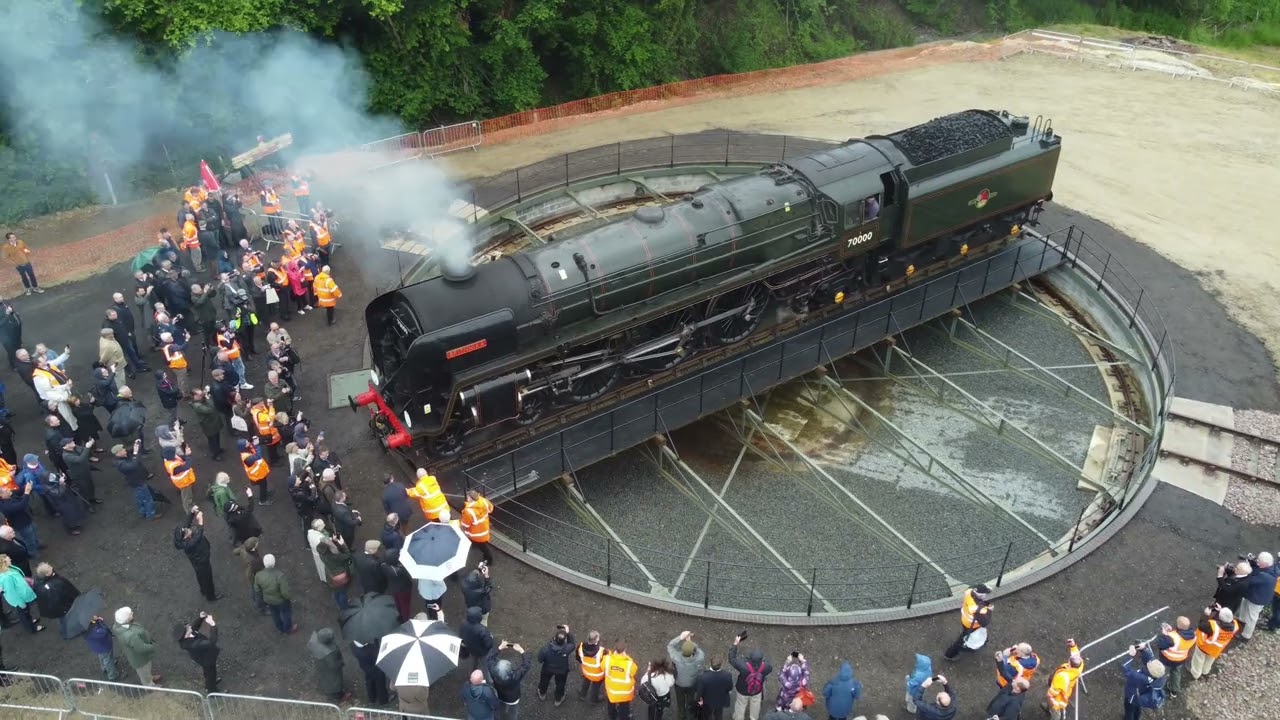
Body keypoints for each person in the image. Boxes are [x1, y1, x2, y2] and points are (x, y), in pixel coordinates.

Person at [174, 506, 220, 602]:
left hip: (196, 562)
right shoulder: (189, 543)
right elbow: (198, 536)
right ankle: (211, 597)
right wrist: (200, 522)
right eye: (187, 531)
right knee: (207, 578)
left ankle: (203, 590)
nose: (189, 529)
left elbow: (186, 524)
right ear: (185, 537)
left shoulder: (181, 537)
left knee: (200, 575)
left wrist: (192, 513)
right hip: (202, 560)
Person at [113, 607, 162, 685]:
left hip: (136, 656)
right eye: (130, 614)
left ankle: (149, 678)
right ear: (126, 620)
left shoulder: (117, 626)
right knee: (144, 672)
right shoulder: (131, 635)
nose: (132, 613)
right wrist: (153, 647)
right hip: (141, 659)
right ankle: (150, 685)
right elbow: (141, 648)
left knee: (145, 672)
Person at [729, 632, 772, 720]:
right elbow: (769, 667)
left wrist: (735, 644)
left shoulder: (744, 667)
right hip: (757, 690)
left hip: (742, 690)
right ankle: (753, 718)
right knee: (755, 705)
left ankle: (738, 718)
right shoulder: (766, 667)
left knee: (741, 705)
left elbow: (732, 659)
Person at [176, 612, 222, 693]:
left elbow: (194, 627)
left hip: (203, 656)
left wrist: (200, 618)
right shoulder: (194, 644)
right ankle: (212, 691)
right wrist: (213, 625)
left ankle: (211, 683)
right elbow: (212, 642)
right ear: (186, 634)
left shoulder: (187, 635)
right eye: (187, 628)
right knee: (210, 672)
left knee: (208, 672)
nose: (189, 626)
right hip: (206, 659)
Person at [943, 584, 992, 660]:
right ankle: (949, 654)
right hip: (972, 626)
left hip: (965, 619)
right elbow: (985, 622)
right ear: (981, 596)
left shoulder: (969, 592)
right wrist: (989, 610)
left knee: (965, 635)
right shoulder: (979, 609)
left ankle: (983, 641)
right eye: (985, 593)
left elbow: (977, 601)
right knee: (961, 640)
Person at [1188, 604, 1238, 679]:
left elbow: (1201, 626)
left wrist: (1206, 615)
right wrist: (1220, 611)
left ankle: (1196, 674)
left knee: (1198, 659)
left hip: (1204, 646)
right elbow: (1226, 621)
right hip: (1217, 649)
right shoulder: (1235, 626)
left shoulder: (1212, 626)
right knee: (1209, 660)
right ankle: (1205, 672)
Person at [32, 562, 79, 639]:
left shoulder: (38, 583)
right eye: (49, 568)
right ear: (46, 574)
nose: (51, 567)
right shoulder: (56, 584)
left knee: (63, 620)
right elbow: (68, 593)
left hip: (54, 609)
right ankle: (67, 634)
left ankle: (64, 631)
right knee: (66, 619)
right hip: (62, 608)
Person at [1120, 642, 1166, 720]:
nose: (1150, 662)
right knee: (1137, 709)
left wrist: (1130, 656)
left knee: (1129, 710)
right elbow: (1150, 659)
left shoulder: (1139, 678)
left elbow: (1125, 668)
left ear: (1149, 670)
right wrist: (1144, 649)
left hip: (1132, 696)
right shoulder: (1159, 676)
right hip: (1140, 695)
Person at [488, 640, 532, 719]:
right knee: (513, 710)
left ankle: (500, 717)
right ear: (510, 670)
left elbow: (489, 659)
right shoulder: (515, 677)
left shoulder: (493, 672)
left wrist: (499, 648)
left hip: (500, 695)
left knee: (501, 707)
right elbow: (526, 665)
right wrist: (522, 651)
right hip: (513, 698)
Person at [254, 554, 297, 635]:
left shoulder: (258, 575)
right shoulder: (279, 575)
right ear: (274, 563)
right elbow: (285, 593)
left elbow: (257, 590)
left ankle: (280, 628)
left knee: (274, 614)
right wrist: (288, 598)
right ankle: (288, 629)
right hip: (281, 601)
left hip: (268, 600)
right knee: (286, 613)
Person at [1238, 551, 1277, 640]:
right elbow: (1258, 570)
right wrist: (1254, 565)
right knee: (1244, 606)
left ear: (1264, 564)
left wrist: (1248, 568)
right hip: (1253, 594)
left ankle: (1245, 636)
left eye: (1259, 561)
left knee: (1252, 617)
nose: (1257, 562)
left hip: (1257, 599)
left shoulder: (1265, 576)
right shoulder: (1271, 568)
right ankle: (1241, 621)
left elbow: (1250, 580)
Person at [0, 553, 43, 633]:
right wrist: (21, 603)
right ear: (4, 564)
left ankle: (30, 621)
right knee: (24, 614)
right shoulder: (7, 578)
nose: (10, 559)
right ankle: (31, 629)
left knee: (26, 612)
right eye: (8, 559)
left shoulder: (9, 569)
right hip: (20, 600)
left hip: (23, 596)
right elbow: (11, 593)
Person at [667, 631, 705, 720]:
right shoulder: (700, 658)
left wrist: (680, 637)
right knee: (690, 700)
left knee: (680, 700)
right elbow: (699, 651)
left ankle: (681, 715)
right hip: (692, 684)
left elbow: (670, 646)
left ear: (682, 650)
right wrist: (690, 642)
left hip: (679, 684)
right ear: (692, 651)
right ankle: (690, 714)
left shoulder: (676, 657)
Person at [309, 628, 352, 703]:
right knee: (334, 681)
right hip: (329, 668)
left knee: (324, 676)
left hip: (319, 662)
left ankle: (326, 687)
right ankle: (339, 695)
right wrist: (341, 663)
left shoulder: (314, 638)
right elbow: (334, 665)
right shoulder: (329, 652)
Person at [537, 623, 576, 706]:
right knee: (560, 684)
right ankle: (558, 699)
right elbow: (572, 644)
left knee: (544, 681)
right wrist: (568, 633)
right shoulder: (567, 649)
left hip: (547, 669)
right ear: (565, 640)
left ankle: (542, 693)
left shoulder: (546, 649)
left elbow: (540, 660)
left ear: (554, 638)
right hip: (562, 670)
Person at [1043, 639, 1084, 717]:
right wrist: (1073, 646)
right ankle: (1048, 708)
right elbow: (1076, 656)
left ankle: (1054, 714)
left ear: (1069, 663)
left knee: (1056, 711)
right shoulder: (1079, 666)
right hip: (1064, 691)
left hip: (1058, 698)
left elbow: (1053, 692)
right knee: (1053, 706)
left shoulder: (1062, 677)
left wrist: (1049, 695)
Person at [0, 485, 39, 562]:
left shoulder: (10, 494)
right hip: (22, 525)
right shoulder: (4, 506)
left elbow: (20, 490)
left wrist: (27, 486)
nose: (9, 490)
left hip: (27, 519)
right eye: (6, 490)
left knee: (34, 533)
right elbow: (20, 506)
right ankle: (32, 554)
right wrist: (27, 493)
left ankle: (37, 544)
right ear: (1, 495)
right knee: (29, 540)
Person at [351, 634, 391, 707]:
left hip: (365, 667)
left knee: (369, 681)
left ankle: (372, 698)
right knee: (380, 683)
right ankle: (383, 700)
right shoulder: (370, 649)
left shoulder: (353, 645)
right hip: (377, 668)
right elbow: (379, 654)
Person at [604, 641, 639, 720]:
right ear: (625, 650)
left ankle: (612, 716)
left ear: (615, 649)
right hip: (624, 693)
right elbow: (634, 671)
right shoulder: (629, 663)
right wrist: (627, 658)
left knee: (611, 705)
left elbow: (603, 667)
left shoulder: (607, 659)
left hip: (611, 691)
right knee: (624, 708)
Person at [234, 536, 268, 614]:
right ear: (253, 548)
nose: (257, 544)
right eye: (256, 544)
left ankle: (254, 598)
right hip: (255, 577)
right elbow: (261, 571)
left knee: (254, 589)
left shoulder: (243, 548)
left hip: (250, 574)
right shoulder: (255, 561)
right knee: (259, 592)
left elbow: (236, 551)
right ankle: (262, 609)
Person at [461, 489, 495, 565]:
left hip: (476, 534)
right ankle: (487, 557)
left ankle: (489, 560)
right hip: (484, 528)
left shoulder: (468, 511)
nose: (467, 498)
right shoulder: (484, 501)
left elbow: (465, 525)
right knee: (483, 544)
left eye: (468, 497)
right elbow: (491, 508)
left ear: (470, 498)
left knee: (483, 547)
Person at [695, 656, 734, 720]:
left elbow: (700, 691)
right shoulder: (727, 675)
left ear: (711, 663)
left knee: (708, 714)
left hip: (707, 701)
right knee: (719, 714)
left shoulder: (703, 677)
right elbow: (730, 687)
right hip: (720, 700)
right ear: (721, 664)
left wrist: (698, 700)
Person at [190, 388, 224, 461]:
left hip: (213, 422)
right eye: (200, 395)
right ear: (195, 396)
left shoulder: (200, 400)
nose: (202, 396)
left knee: (217, 437)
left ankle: (218, 449)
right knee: (212, 440)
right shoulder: (197, 406)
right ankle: (215, 454)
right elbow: (210, 409)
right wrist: (208, 399)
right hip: (209, 425)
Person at [86, 616, 122, 681]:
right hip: (104, 645)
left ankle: (104, 667)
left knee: (102, 656)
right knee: (108, 659)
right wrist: (101, 621)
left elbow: (93, 624)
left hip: (97, 646)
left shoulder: (87, 627)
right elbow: (105, 631)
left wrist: (95, 621)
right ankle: (113, 675)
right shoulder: (96, 630)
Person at [238, 438, 273, 505]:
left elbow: (252, 446)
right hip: (257, 475)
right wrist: (257, 446)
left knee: (264, 485)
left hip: (260, 472)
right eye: (247, 443)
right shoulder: (246, 457)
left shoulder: (246, 450)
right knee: (263, 486)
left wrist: (255, 442)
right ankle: (263, 501)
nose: (248, 443)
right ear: (244, 446)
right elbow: (258, 456)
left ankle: (265, 493)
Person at [460, 606, 495, 670]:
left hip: (470, 649)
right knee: (485, 665)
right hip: (481, 652)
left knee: (473, 663)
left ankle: (472, 674)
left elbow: (461, 635)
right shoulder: (482, 630)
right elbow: (489, 644)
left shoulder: (463, 623)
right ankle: (489, 678)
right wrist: (491, 637)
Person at [577, 629, 607, 702]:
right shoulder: (602, 651)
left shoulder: (580, 646)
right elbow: (606, 664)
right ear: (597, 640)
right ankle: (593, 699)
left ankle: (582, 694)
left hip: (586, 671)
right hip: (598, 675)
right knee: (595, 687)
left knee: (586, 681)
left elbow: (578, 658)